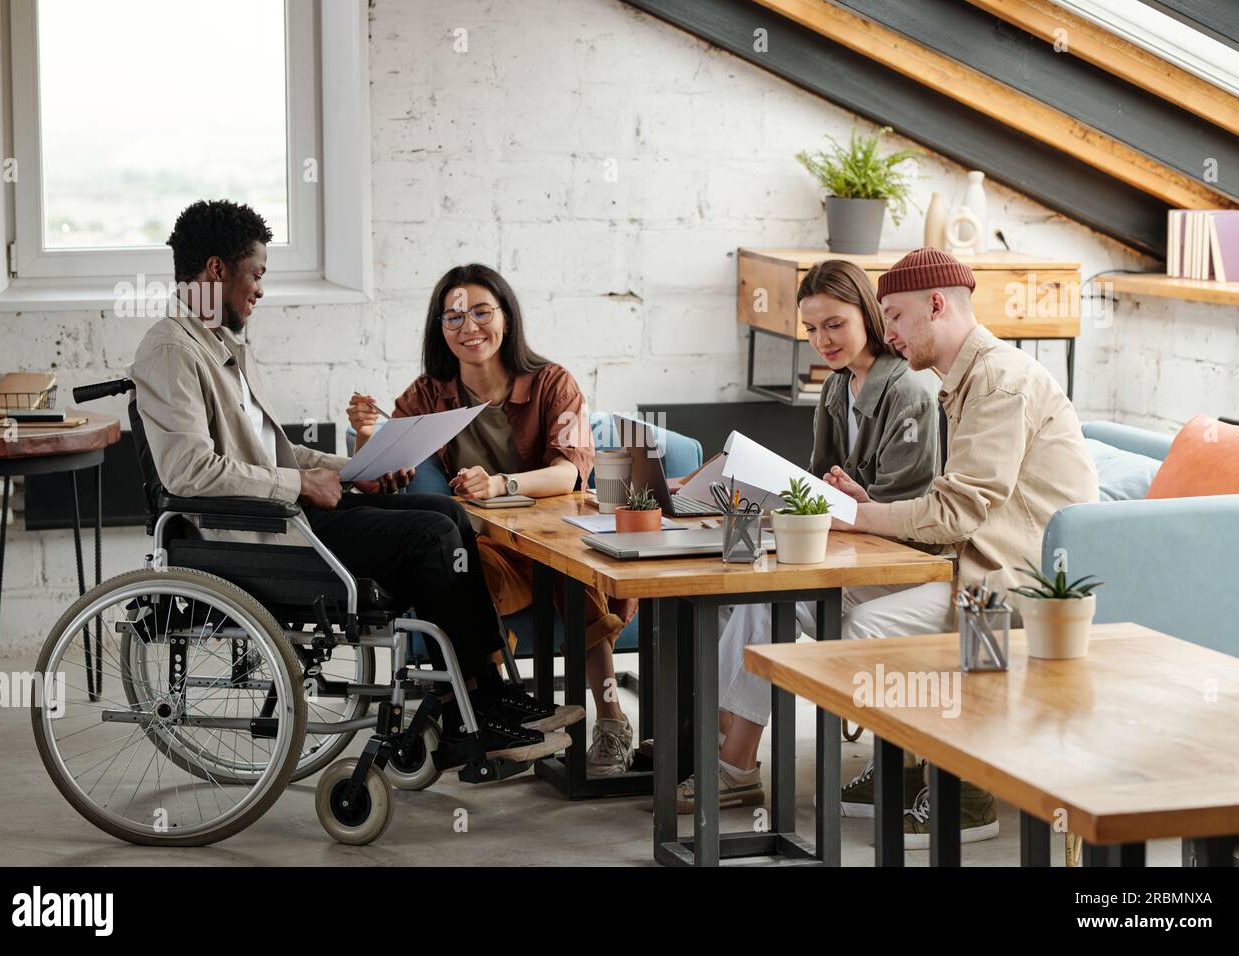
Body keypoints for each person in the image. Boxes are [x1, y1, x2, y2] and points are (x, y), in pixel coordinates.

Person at [130, 200, 575, 769]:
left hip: (283, 515)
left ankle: (484, 692)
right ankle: (475, 707)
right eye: (257, 274)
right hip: (251, 534)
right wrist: (300, 485)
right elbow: (188, 472)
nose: (260, 290)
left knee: (445, 511)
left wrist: (355, 469)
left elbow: (276, 454)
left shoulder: (225, 348)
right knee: (431, 537)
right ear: (216, 271)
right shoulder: (171, 350)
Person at [821, 246, 1099, 846]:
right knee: (837, 592)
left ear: (936, 306)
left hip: (1018, 582)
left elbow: (958, 507)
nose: (885, 330)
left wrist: (863, 517)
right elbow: (959, 509)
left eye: (893, 315)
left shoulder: (999, 381)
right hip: (975, 563)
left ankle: (965, 790)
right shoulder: (965, 381)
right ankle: (912, 765)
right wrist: (867, 512)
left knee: (866, 626)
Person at [347, 263, 640, 776]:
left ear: (506, 317)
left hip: (559, 534)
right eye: (454, 317)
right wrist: (367, 435)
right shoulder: (426, 394)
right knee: (464, 582)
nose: (470, 328)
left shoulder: (552, 383)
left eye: (482, 312)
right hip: (491, 542)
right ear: (440, 328)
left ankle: (612, 722)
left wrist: (501, 484)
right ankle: (503, 721)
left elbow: (569, 472)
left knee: (577, 580)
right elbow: (378, 482)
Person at [675, 259, 943, 814]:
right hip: (848, 560)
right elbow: (815, 487)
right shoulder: (835, 389)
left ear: (868, 314)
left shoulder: (910, 390)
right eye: (812, 330)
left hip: (902, 572)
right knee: (741, 596)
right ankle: (727, 752)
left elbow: (907, 518)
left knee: (763, 597)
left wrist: (839, 499)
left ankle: (733, 763)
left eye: (835, 325)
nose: (822, 340)